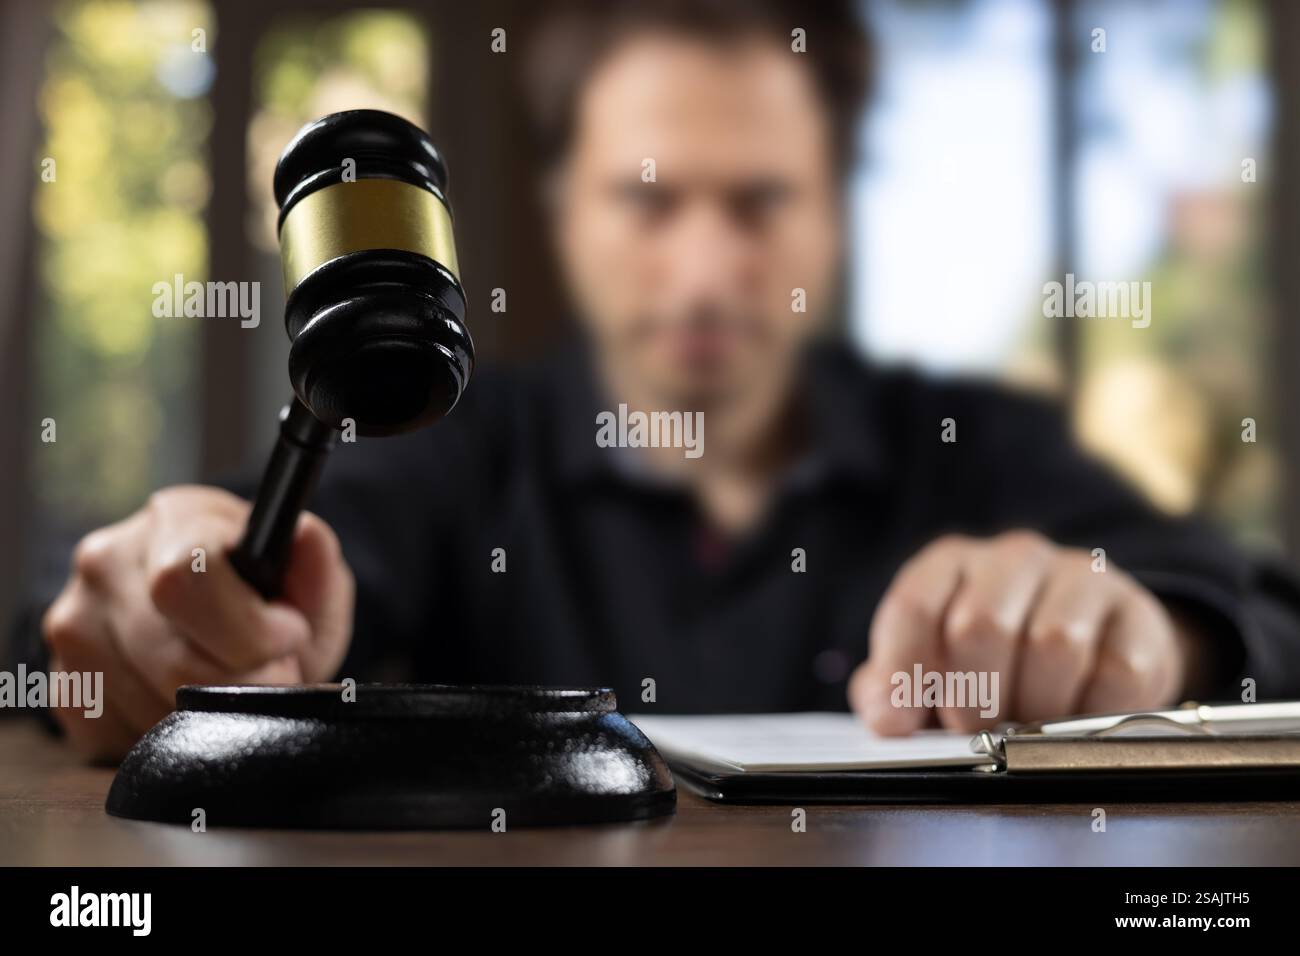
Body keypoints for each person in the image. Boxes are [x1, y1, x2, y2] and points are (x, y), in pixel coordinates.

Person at [21, 0, 1300, 761]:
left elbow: (1262, 609)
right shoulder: (457, 453)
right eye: (648, 201)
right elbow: (111, 611)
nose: (701, 271)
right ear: (564, 215)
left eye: (759, 202)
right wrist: (134, 627)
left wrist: (1156, 636)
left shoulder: (976, 446)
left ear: (831, 221)